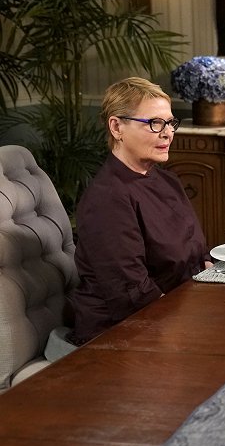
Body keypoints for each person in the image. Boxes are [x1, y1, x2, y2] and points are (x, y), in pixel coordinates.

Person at [68, 77, 209, 345]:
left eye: (170, 123)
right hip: (122, 331)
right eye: (155, 123)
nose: (167, 133)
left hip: (177, 310)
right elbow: (133, 295)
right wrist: (193, 325)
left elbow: (198, 256)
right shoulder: (106, 199)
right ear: (116, 127)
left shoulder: (167, 180)